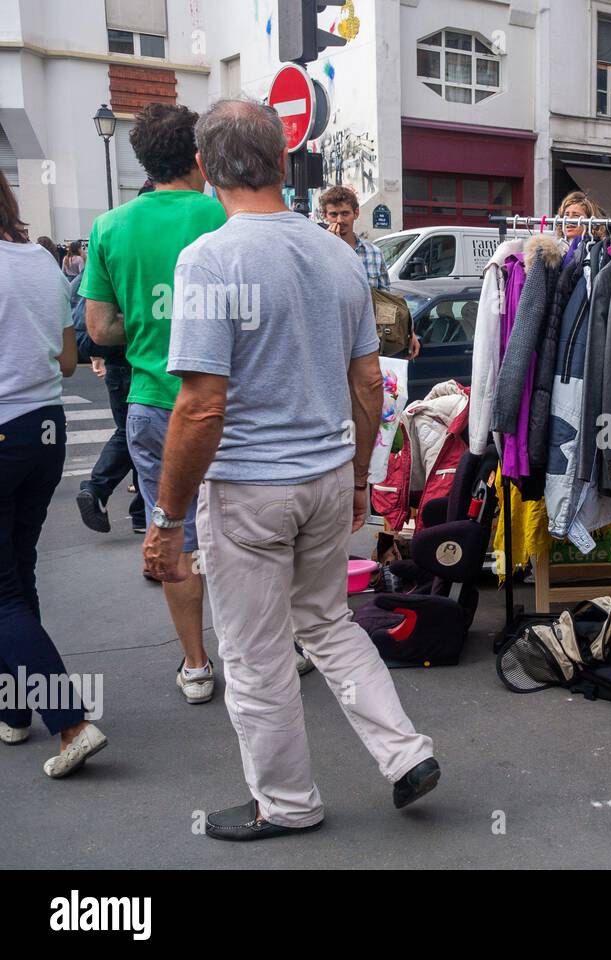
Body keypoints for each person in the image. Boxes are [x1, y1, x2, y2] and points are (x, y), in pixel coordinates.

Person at [144, 99, 439, 840]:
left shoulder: (211, 258)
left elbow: (200, 407)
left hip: (250, 487)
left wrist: (166, 519)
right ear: (282, 162)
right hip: (324, 474)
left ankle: (287, 802)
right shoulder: (338, 254)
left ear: (206, 168)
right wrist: (356, 478)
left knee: (255, 653)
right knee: (328, 622)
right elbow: (369, 383)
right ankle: (405, 753)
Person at [81, 102, 226, 706]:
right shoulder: (221, 213)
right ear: (199, 156)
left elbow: (98, 327)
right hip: (224, 401)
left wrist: (147, 326)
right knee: (248, 531)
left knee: (176, 535)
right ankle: (279, 647)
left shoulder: (109, 227)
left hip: (151, 403)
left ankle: (195, 664)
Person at [0, 170, 109, 778]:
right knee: (17, 571)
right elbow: (69, 361)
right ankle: (18, 705)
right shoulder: (40, 261)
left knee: (2, 590)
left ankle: (68, 720)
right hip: (44, 430)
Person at [72, 272, 147, 535]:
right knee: (137, 431)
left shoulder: (100, 265)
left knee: (135, 431)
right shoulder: (131, 260)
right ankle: (100, 489)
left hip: (118, 363)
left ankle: (140, 511)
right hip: (136, 359)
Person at [318, 184, 418, 359]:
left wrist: (409, 333)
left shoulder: (373, 253)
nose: (339, 220)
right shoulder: (317, 252)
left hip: (367, 341)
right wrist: (332, 248)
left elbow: (386, 301)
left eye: (345, 213)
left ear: (356, 213)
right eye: (334, 214)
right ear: (325, 216)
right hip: (331, 341)